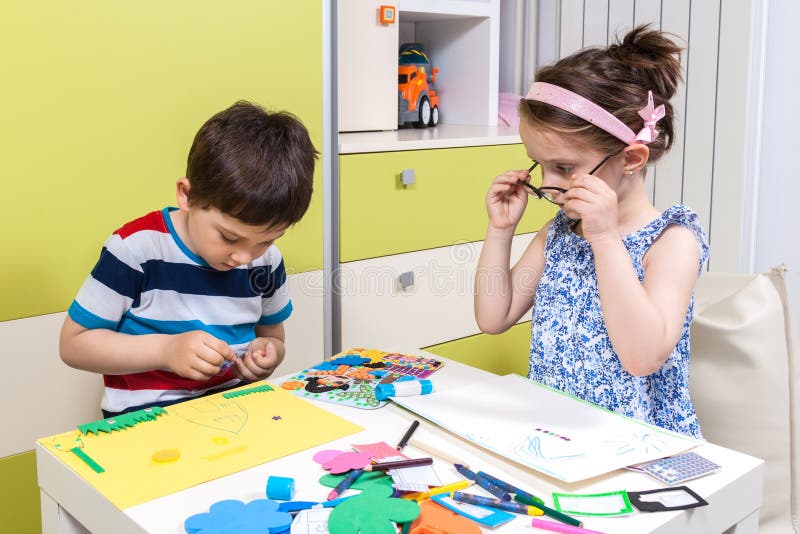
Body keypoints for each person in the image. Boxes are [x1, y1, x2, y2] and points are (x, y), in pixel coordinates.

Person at [474, 26, 708, 438]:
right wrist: (500, 231)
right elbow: (494, 317)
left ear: (632, 158)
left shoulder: (672, 242)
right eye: (538, 164)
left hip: (640, 447)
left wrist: (604, 239)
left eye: (564, 168)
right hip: (558, 437)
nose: (547, 184)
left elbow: (642, 357)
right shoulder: (561, 233)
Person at [60, 101, 317, 417]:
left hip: (233, 409)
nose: (243, 257)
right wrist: (166, 350)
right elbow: (74, 345)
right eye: (228, 237)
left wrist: (268, 356)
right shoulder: (136, 249)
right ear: (187, 195)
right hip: (144, 420)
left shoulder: (266, 262)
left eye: (265, 240)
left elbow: (272, 337)